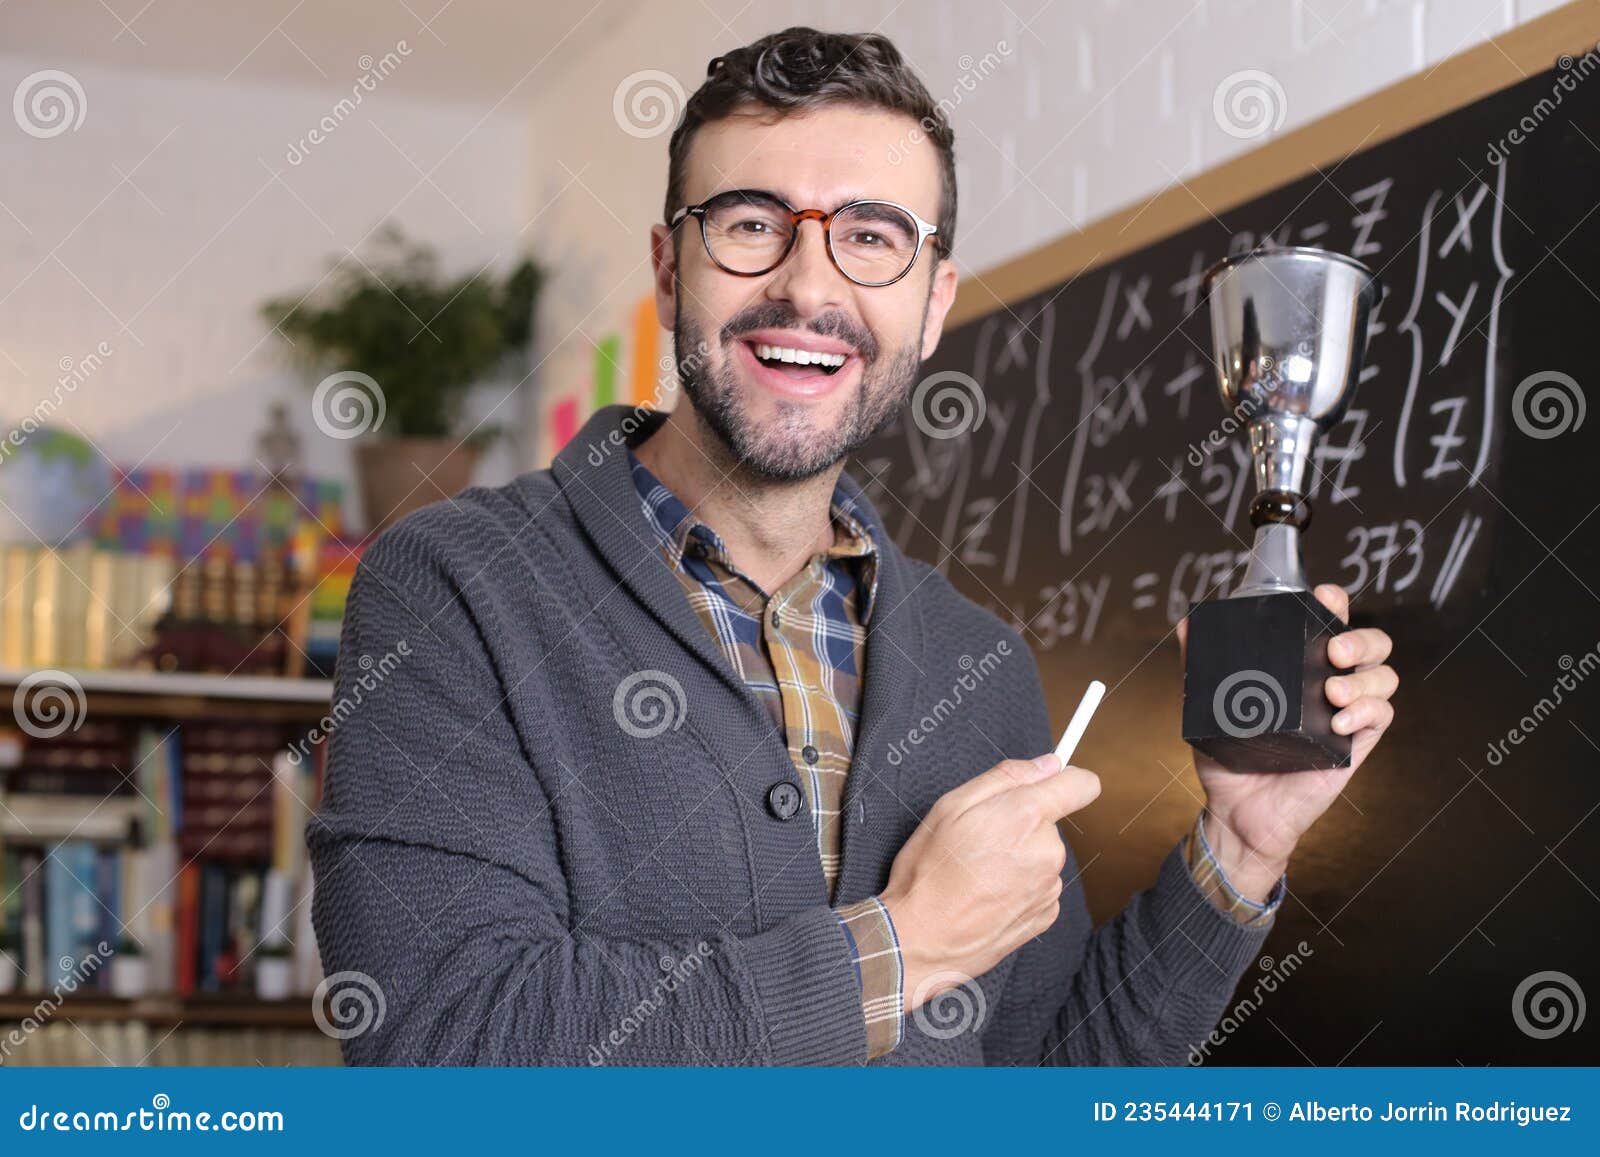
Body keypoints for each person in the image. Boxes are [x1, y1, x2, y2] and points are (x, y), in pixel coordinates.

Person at [308, 26, 1398, 1066]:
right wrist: (904, 944)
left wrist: (1239, 848)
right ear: (669, 269)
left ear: (933, 305)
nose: (810, 286)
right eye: (751, 223)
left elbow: (1044, 1081)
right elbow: (441, 1042)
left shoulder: (979, 664)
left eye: (872, 237)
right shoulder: (456, 586)